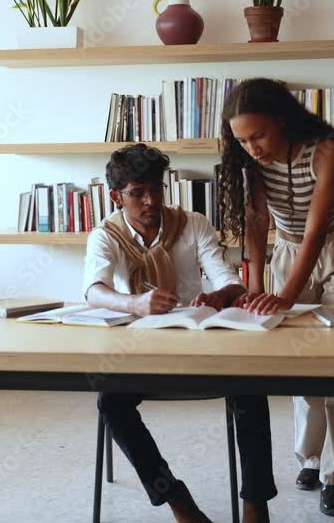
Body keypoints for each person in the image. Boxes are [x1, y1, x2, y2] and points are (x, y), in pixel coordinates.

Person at [83, 143, 277, 523]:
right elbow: (94, 291)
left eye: (156, 189)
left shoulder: (193, 223)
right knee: (110, 401)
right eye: (137, 193)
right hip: (140, 347)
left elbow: (230, 281)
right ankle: (176, 498)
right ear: (115, 196)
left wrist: (220, 296)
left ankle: (255, 502)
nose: (150, 200)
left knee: (251, 385)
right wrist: (136, 303)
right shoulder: (105, 235)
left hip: (200, 342)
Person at [217, 78, 334, 517]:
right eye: (242, 140)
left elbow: (316, 229)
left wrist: (285, 295)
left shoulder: (324, 148)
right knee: (300, 361)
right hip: (288, 250)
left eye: (259, 136)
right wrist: (254, 287)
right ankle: (308, 459)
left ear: (282, 120)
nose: (252, 148)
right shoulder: (250, 162)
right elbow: (256, 224)